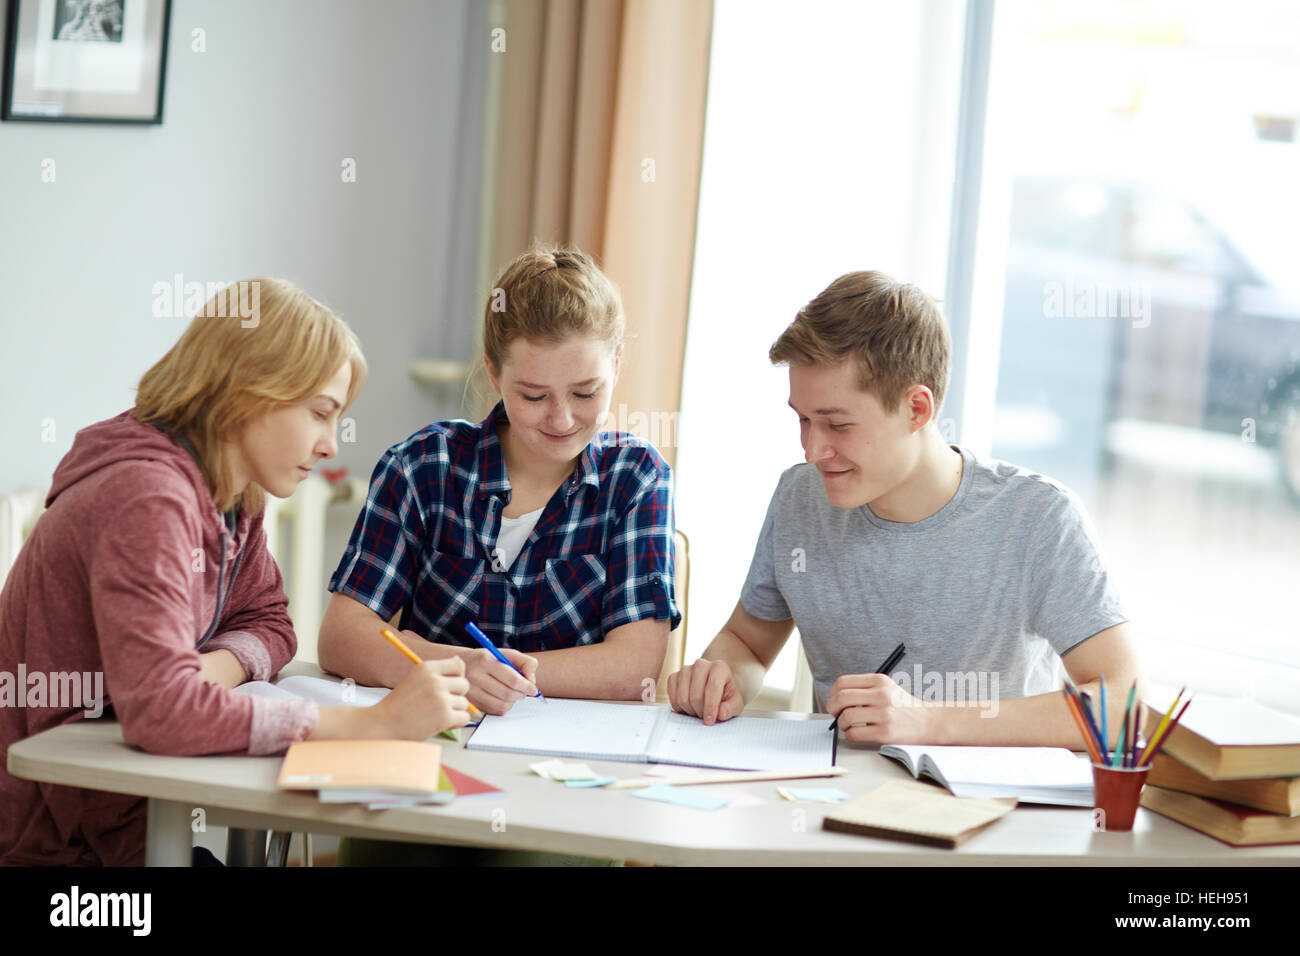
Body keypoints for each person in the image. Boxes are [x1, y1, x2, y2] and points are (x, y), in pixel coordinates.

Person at [0, 279, 471, 866]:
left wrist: (208, 671)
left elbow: (272, 621)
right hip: (57, 851)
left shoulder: (230, 494)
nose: (330, 445)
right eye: (320, 414)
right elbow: (164, 715)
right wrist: (374, 724)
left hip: (121, 828)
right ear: (248, 393)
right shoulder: (147, 498)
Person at [667, 270, 1145, 746]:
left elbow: (1122, 706)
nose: (811, 450)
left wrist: (929, 722)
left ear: (917, 409)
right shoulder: (799, 498)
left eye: (837, 425)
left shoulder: (1039, 519)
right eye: (803, 419)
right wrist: (721, 678)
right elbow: (748, 642)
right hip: (829, 798)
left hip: (987, 808)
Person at [319, 245, 680, 865]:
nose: (563, 418)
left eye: (586, 391)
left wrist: (502, 677)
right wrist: (457, 665)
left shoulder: (635, 476)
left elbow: (634, 669)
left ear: (617, 364)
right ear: (493, 373)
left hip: (563, 787)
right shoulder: (423, 466)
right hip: (424, 772)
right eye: (534, 395)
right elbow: (344, 637)